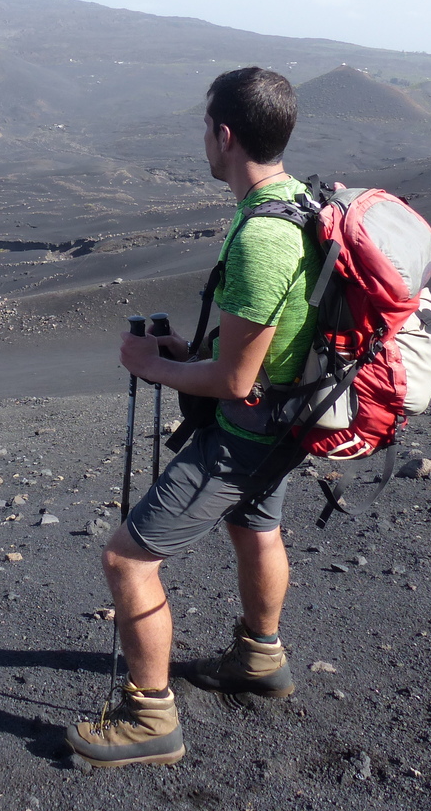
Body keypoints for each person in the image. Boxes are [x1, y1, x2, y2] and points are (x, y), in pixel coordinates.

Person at [67, 67, 320, 768]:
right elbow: (263, 339)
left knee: (126, 557)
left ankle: (150, 719)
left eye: (205, 128)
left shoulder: (261, 238)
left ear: (225, 135)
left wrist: (157, 368)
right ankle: (260, 659)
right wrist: (189, 350)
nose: (202, 139)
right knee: (257, 526)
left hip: (248, 431)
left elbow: (236, 381)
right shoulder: (294, 202)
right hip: (285, 422)